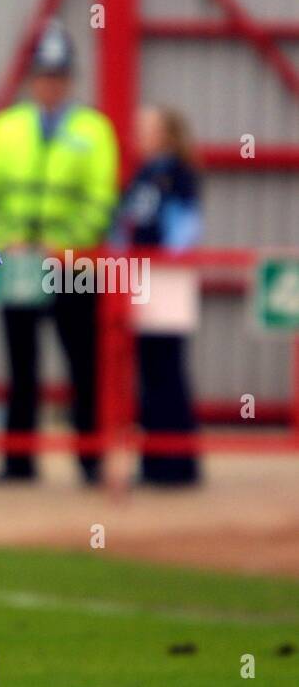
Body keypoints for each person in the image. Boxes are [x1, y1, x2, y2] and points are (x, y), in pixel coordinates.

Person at [0, 21, 118, 484]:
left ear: (70, 78)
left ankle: (90, 459)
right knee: (21, 363)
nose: (50, 83)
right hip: (19, 262)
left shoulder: (94, 130)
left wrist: (67, 244)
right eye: (43, 74)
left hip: (74, 265)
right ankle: (19, 460)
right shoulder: (3, 129)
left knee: (83, 362)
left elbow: (101, 198)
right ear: (32, 78)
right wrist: (7, 239)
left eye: (58, 75)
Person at [113, 106, 202, 486]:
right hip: (141, 278)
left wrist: (161, 260)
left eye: (147, 128)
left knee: (166, 367)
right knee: (150, 369)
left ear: (167, 134)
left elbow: (186, 227)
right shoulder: (143, 176)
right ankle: (156, 462)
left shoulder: (179, 175)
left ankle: (177, 463)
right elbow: (123, 225)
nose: (138, 134)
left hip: (163, 280)